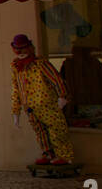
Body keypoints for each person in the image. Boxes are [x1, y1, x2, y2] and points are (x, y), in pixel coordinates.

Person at [11, 33, 74, 165]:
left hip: (46, 104)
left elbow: (56, 80)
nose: (20, 52)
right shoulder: (16, 67)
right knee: (40, 131)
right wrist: (16, 111)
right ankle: (48, 154)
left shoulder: (41, 64)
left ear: (29, 47)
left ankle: (64, 155)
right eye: (17, 49)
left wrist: (63, 96)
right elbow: (16, 89)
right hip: (29, 107)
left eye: (23, 48)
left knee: (56, 128)